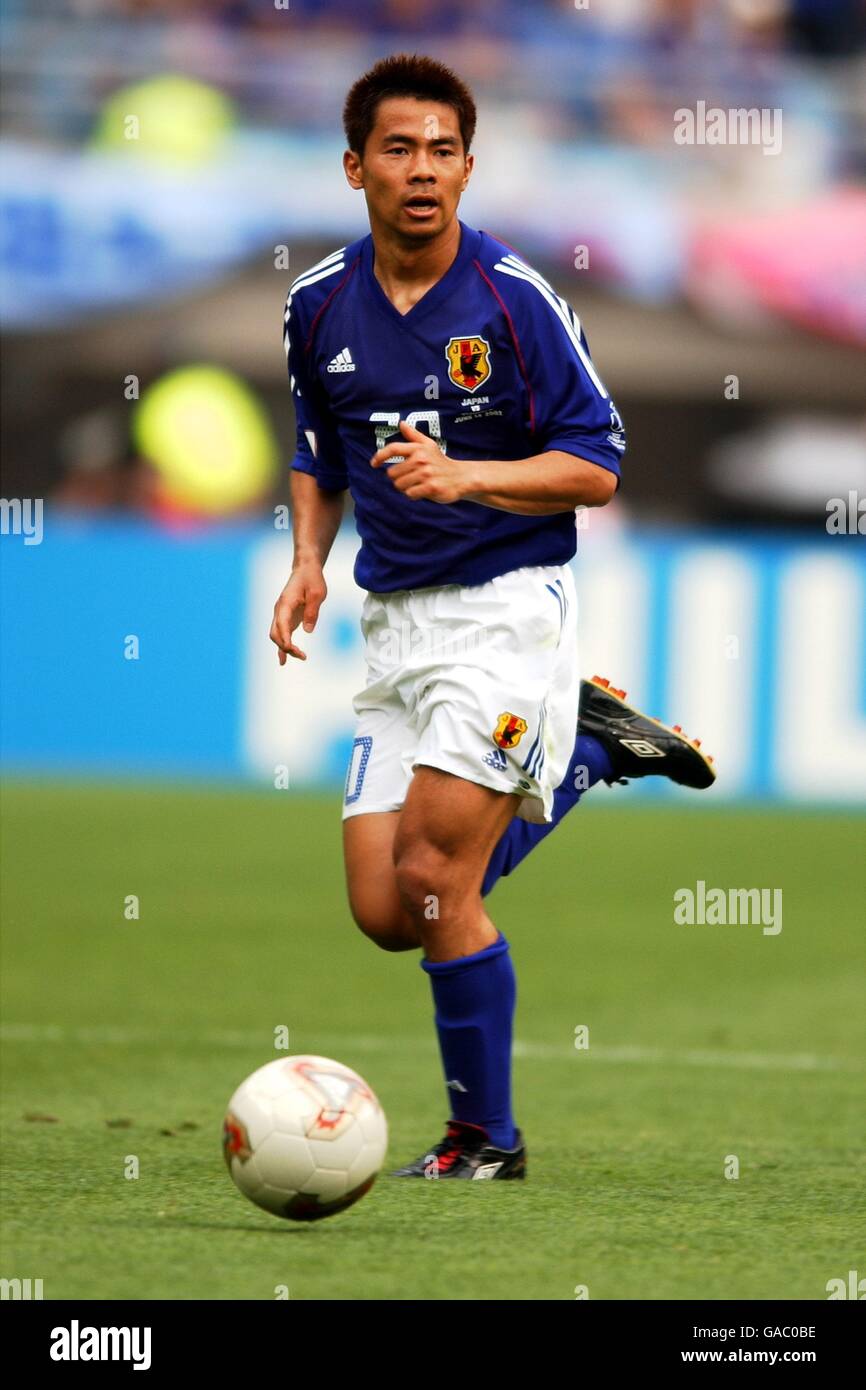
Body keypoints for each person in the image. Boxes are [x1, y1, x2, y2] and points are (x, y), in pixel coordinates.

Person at [271, 53, 714, 1181]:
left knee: (435, 877)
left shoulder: (513, 297)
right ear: (353, 164)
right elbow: (317, 449)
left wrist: (469, 478)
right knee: (385, 907)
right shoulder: (317, 304)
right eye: (395, 149)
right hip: (394, 626)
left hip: (504, 613)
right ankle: (580, 758)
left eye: (439, 151)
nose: (419, 171)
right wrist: (308, 561)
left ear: (468, 166)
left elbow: (595, 465)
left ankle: (486, 1139)